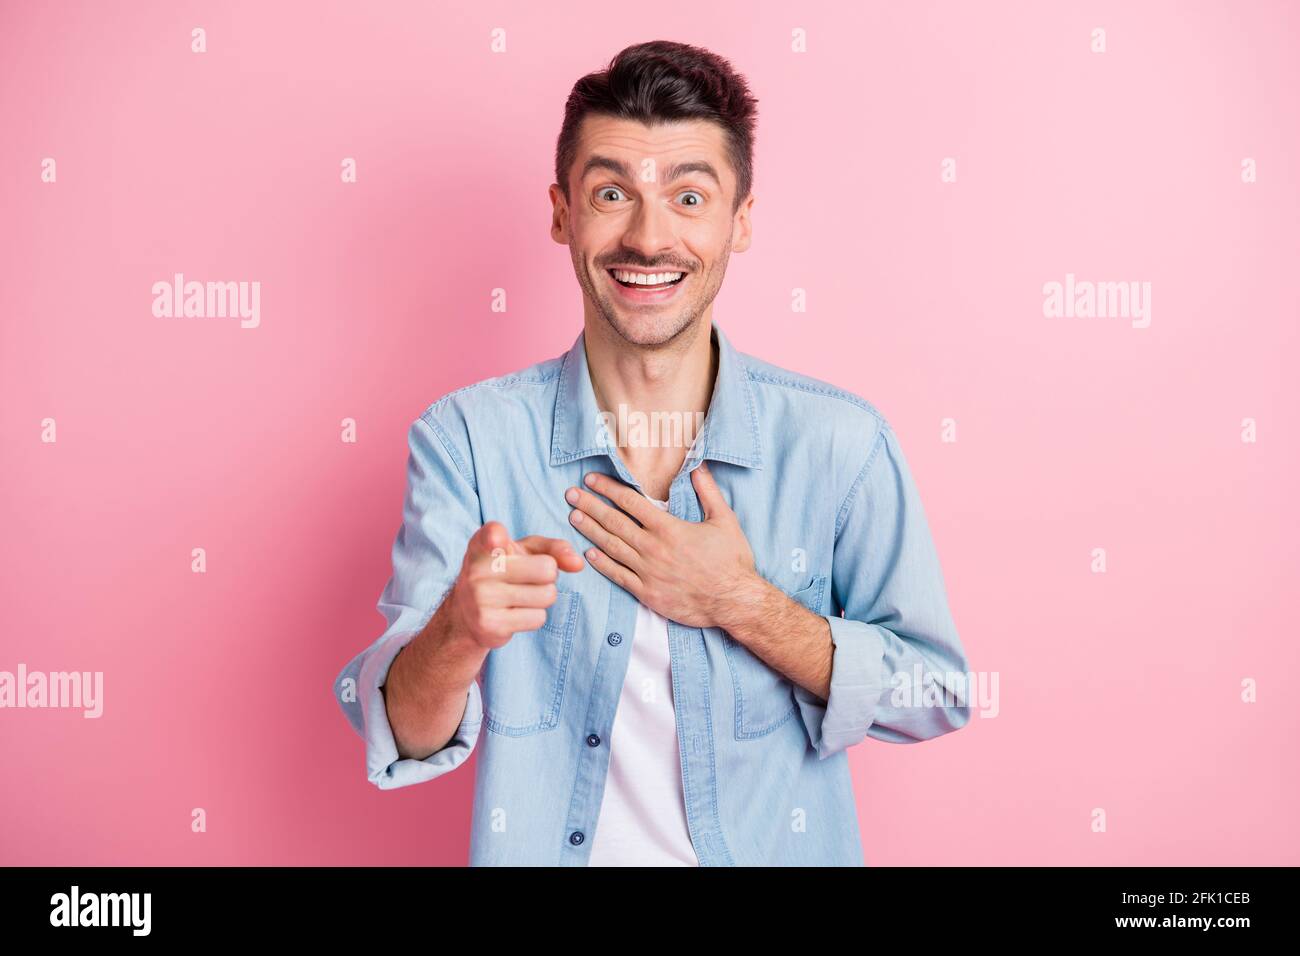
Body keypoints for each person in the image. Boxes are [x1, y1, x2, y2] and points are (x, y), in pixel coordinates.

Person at [333, 40, 971, 866]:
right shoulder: (467, 440)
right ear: (562, 212)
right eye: (611, 193)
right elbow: (402, 732)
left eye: (689, 196)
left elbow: (937, 692)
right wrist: (456, 632)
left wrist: (740, 601)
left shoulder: (841, 444)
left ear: (739, 221)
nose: (648, 236)